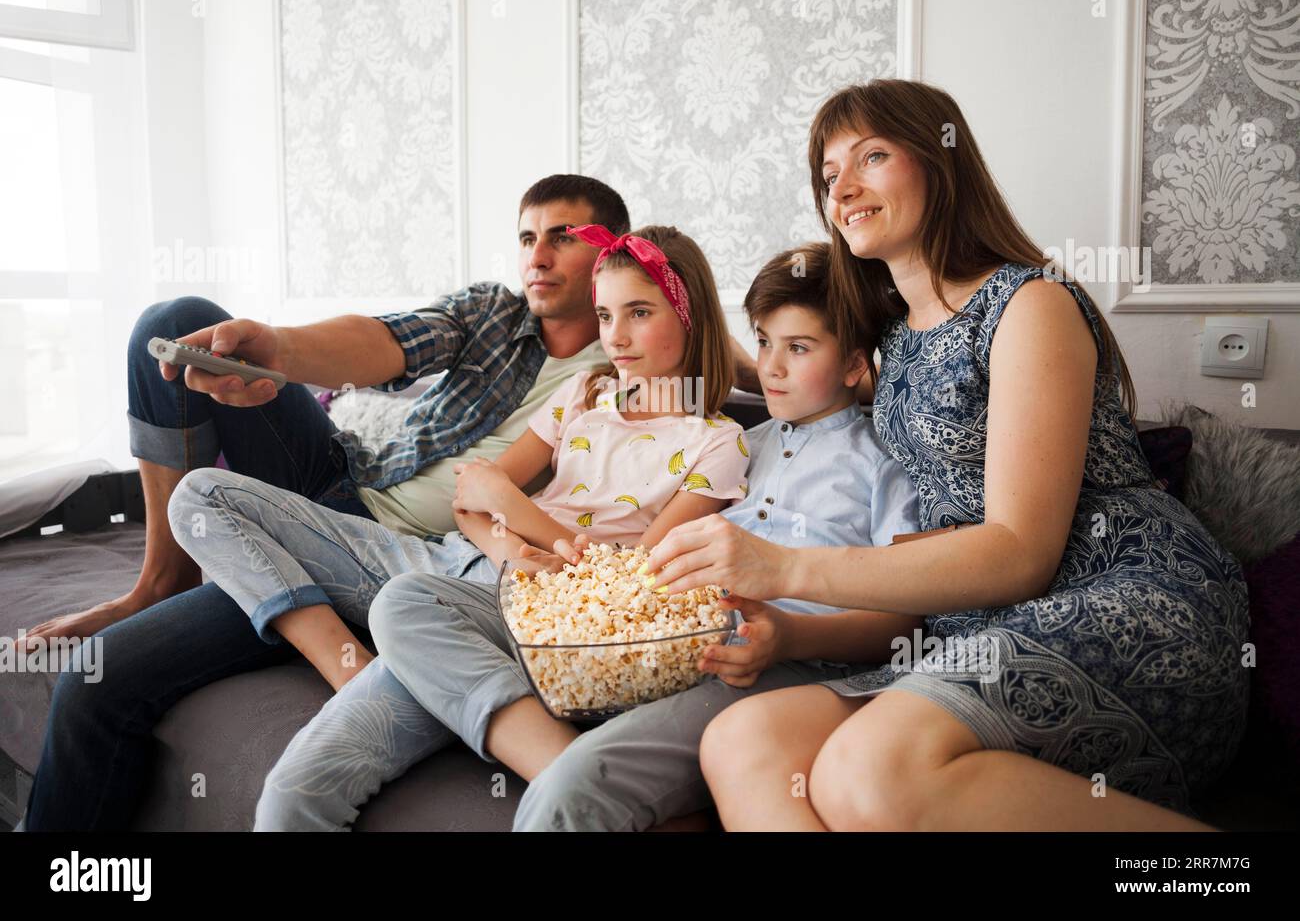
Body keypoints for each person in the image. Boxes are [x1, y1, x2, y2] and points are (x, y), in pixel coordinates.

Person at [642, 79, 1250, 831]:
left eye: (872, 157)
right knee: (742, 741)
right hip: (975, 626)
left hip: (1122, 597)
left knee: (864, 770)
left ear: (939, 161)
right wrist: (664, 343)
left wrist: (781, 567)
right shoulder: (889, 339)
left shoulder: (1030, 304)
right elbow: (780, 368)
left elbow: (1021, 552)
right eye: (829, 176)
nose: (845, 187)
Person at [20, 174, 630, 830]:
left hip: (408, 562)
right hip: (338, 482)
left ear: (615, 252)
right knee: (174, 324)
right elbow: (388, 339)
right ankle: (164, 577)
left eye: (562, 239)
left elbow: (724, 354)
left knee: (97, 682)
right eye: (527, 238)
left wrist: (747, 359)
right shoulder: (495, 314)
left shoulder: (632, 366)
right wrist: (282, 351)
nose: (535, 257)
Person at [252, 240, 920, 831]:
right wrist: (512, 539)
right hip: (574, 619)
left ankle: (563, 756)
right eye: (765, 344)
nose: (771, 369)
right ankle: (544, 736)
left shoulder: (852, 459)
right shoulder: (751, 439)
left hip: (717, 652)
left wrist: (788, 634)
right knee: (304, 773)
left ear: (858, 366)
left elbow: (904, 615)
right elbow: (489, 504)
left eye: (796, 349)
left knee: (564, 800)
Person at [165, 224, 749, 695]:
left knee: (396, 620)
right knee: (201, 494)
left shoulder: (718, 442)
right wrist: (505, 546)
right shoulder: (586, 393)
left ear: (690, 313)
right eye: (605, 315)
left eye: (639, 313)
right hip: (446, 557)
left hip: (526, 603)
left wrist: (513, 511)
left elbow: (636, 582)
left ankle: (387, 669)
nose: (616, 336)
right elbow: (470, 498)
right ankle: (350, 669)